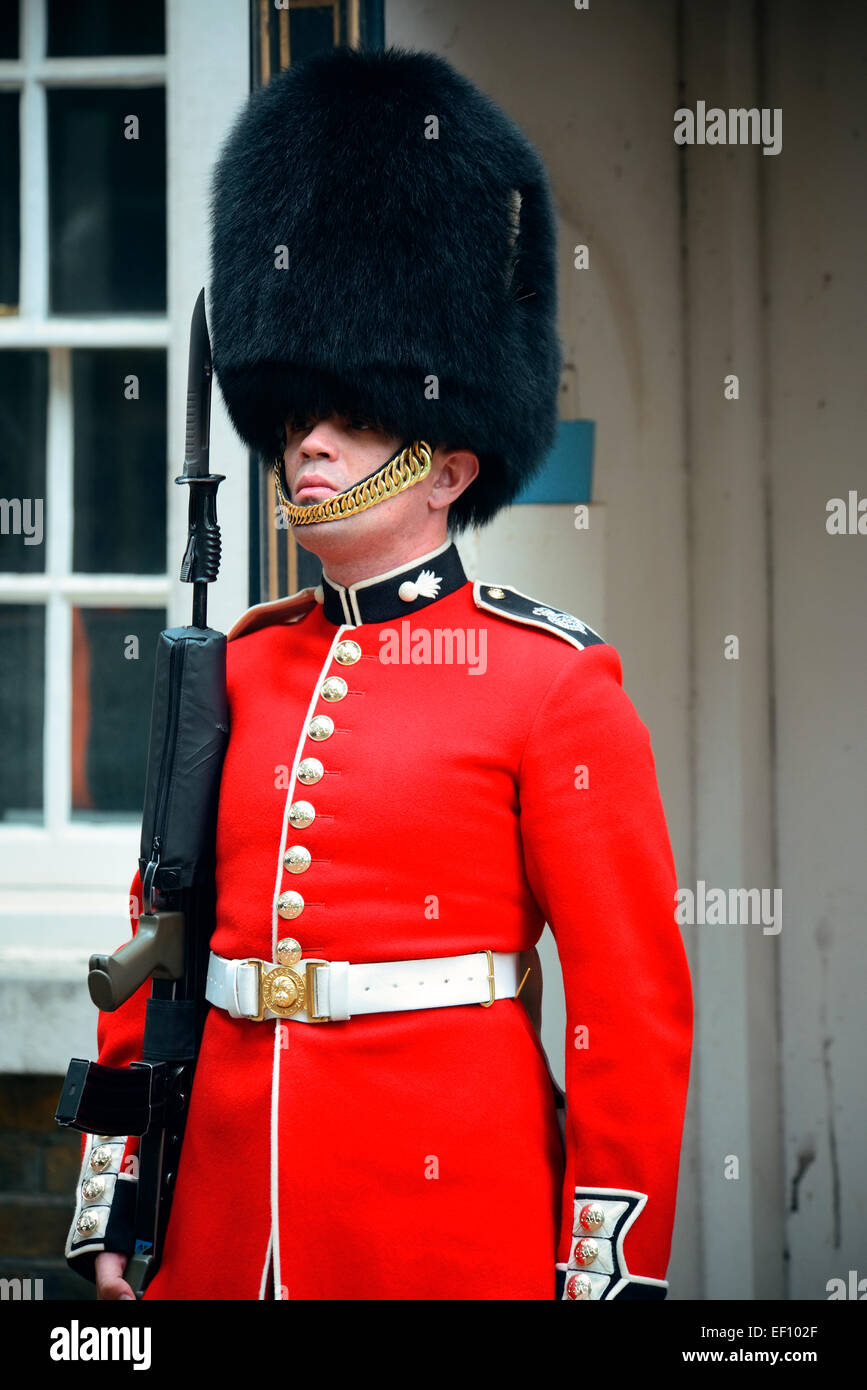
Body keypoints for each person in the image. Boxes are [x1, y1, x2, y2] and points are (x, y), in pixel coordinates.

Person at [65, 45, 692, 1301]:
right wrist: (114, 1206)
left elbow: (628, 1024)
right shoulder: (237, 666)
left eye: (347, 413)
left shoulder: (552, 684)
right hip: (223, 1237)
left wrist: (600, 1277)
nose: (306, 440)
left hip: (445, 1239)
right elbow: (156, 952)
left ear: (449, 464)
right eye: (298, 411)